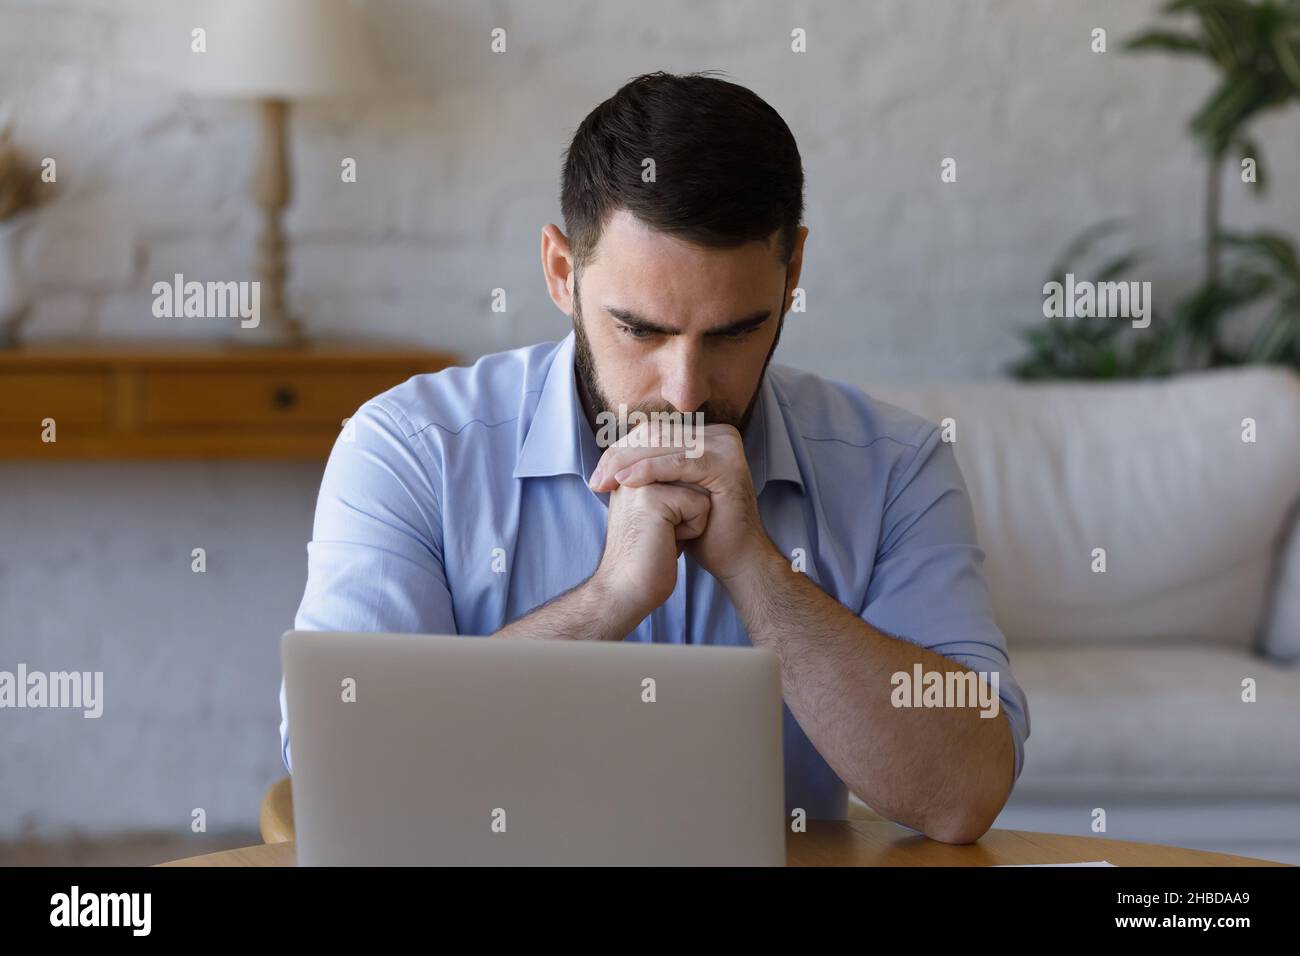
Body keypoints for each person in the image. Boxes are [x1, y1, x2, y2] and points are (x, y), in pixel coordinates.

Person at [280, 71, 1029, 843]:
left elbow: (962, 794)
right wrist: (607, 601)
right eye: (641, 330)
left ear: (792, 274)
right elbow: (352, 775)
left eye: (735, 331)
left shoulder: (896, 466)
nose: (684, 392)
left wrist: (759, 575)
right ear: (561, 272)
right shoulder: (411, 450)